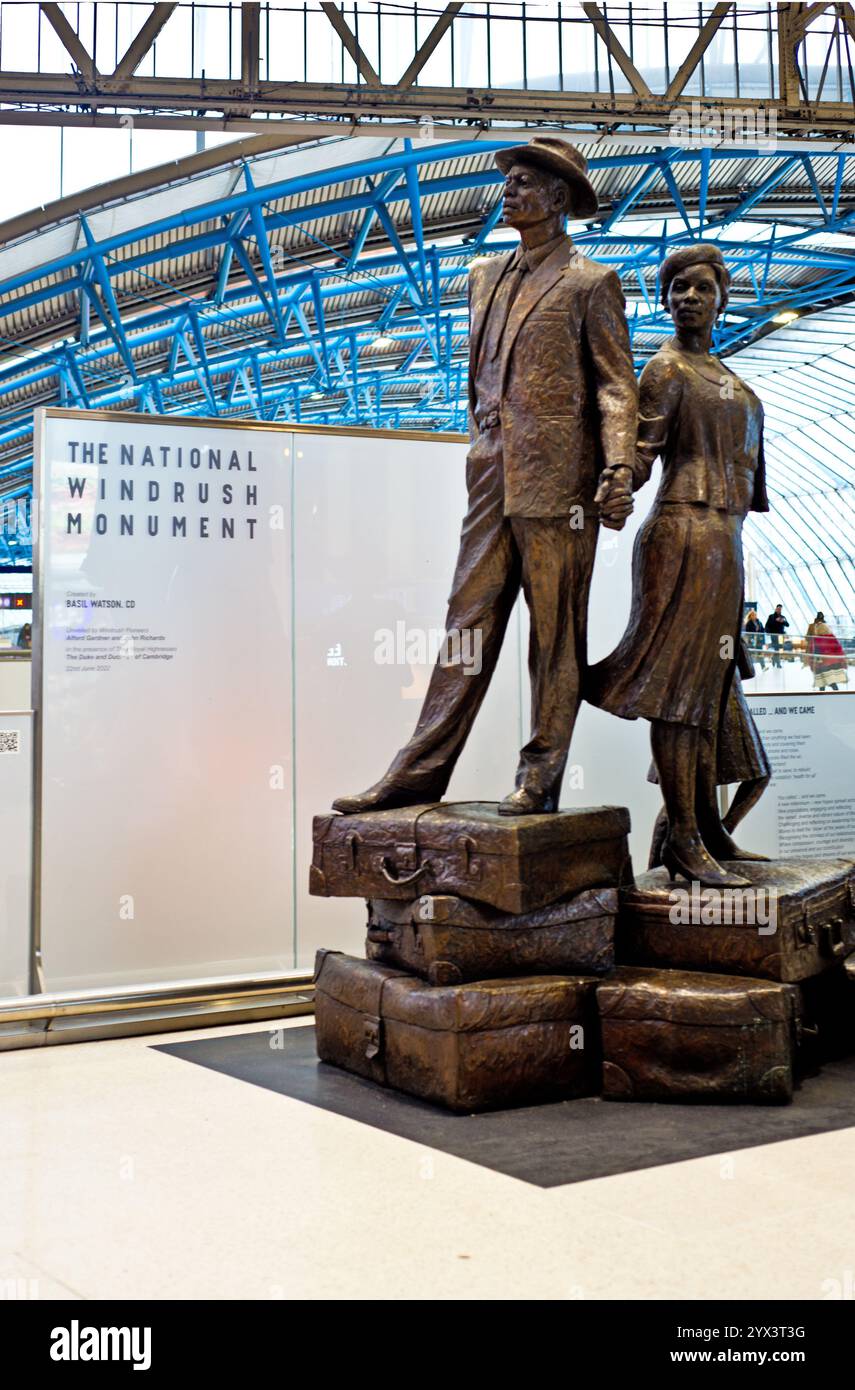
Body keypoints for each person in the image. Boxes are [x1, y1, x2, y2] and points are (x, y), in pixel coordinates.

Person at [333, 136, 638, 817]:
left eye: (523, 182)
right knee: (465, 623)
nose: (508, 190)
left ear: (557, 198)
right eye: (509, 180)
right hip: (490, 473)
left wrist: (619, 465)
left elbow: (616, 387)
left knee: (554, 635)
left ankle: (541, 776)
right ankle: (418, 771)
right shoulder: (483, 276)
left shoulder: (590, 283)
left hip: (560, 482)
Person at [588, 243, 769, 888]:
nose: (688, 298)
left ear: (722, 298)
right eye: (677, 289)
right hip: (682, 532)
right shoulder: (666, 370)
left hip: (726, 539)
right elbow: (641, 450)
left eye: (700, 288)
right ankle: (685, 839)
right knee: (678, 692)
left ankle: (709, 830)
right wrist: (617, 482)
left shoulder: (732, 381)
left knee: (711, 690)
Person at [806, 611, 848, 691]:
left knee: (824, 678)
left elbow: (808, 640)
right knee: (827, 678)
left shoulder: (813, 628)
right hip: (827, 659)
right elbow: (835, 645)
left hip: (821, 659)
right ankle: (833, 691)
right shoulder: (826, 629)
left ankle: (826, 692)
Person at [765, 603, 788, 668]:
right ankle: (778, 663)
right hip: (774, 635)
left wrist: (783, 621)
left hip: (780, 635)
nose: (779, 610)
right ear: (776, 609)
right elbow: (767, 625)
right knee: (776, 648)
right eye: (778, 609)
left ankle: (774, 658)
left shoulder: (783, 617)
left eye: (780, 609)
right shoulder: (771, 616)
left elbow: (787, 624)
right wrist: (775, 621)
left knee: (778, 648)